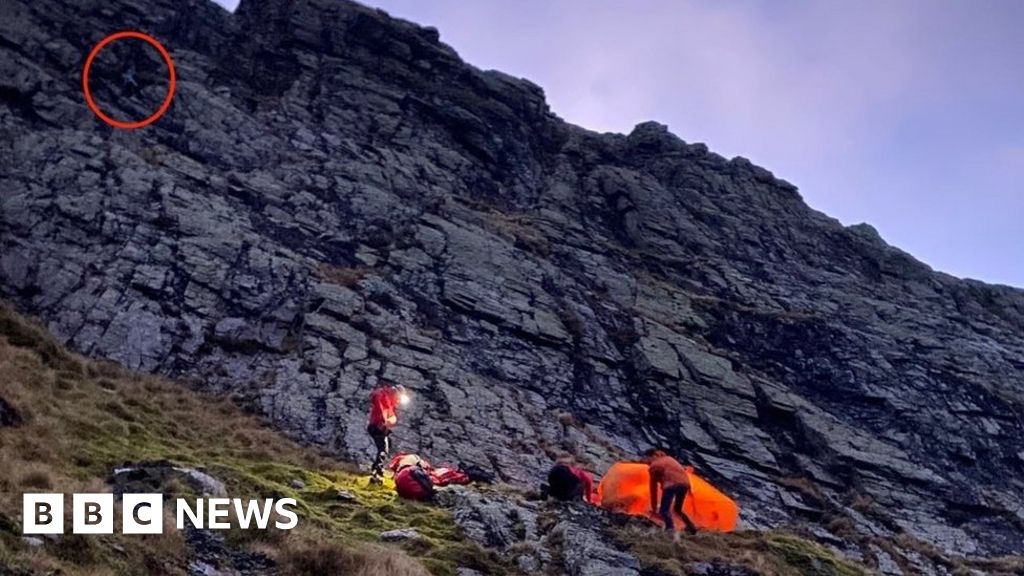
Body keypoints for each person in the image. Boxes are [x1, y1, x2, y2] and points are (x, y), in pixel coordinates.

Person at [644, 448, 698, 535]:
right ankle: (692, 528)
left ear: (653, 456)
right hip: (685, 484)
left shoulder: (654, 466)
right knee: (677, 509)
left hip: (671, 485)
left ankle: (670, 530)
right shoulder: (670, 459)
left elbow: (653, 489)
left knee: (664, 510)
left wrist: (654, 509)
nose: (647, 462)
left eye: (647, 459)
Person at [367, 382, 407, 485]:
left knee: (384, 449)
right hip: (376, 427)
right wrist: (384, 420)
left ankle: (377, 470)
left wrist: (389, 421)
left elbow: (390, 416)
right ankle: (376, 472)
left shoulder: (389, 402)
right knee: (382, 450)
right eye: (398, 397)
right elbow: (375, 397)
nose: (398, 400)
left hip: (380, 428)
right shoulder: (383, 396)